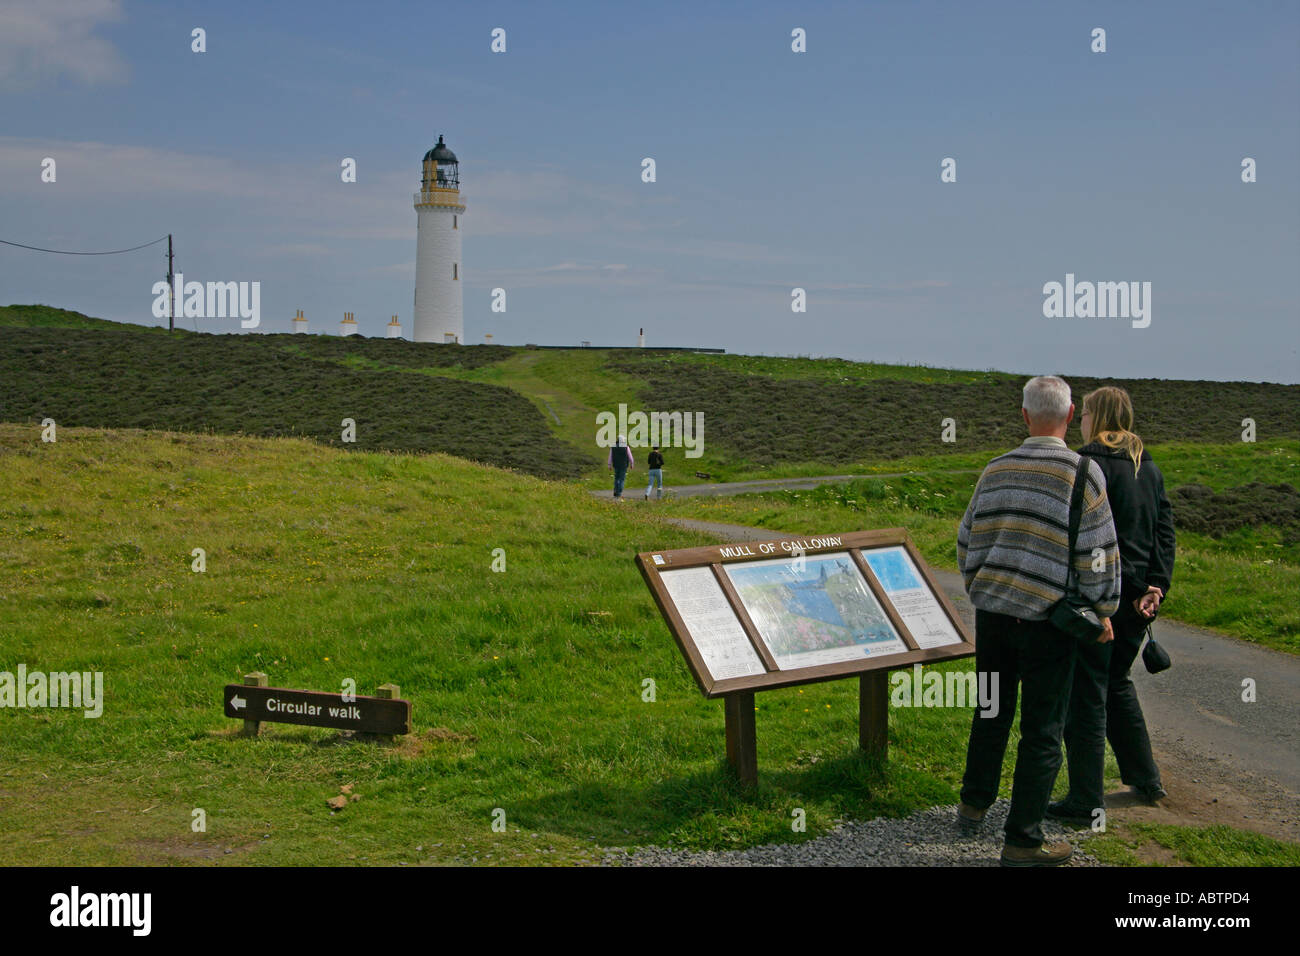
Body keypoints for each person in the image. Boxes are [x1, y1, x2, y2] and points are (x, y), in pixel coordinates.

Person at [955, 375, 1120, 866]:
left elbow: (967, 541)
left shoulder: (996, 468)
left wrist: (983, 587)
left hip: (994, 615)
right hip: (1049, 622)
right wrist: (1103, 610)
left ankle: (972, 806)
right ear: (1070, 417)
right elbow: (1099, 557)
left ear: (1025, 416)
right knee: (1043, 729)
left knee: (989, 712)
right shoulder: (1083, 473)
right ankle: (1023, 841)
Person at [1049, 386, 1175, 822]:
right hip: (1140, 601)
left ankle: (1086, 800)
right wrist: (1155, 587)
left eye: (1084, 412)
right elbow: (1164, 532)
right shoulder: (1148, 467)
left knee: (1085, 695)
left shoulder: (1088, 465)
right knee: (1116, 682)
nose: (1080, 419)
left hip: (1099, 595)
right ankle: (1146, 778)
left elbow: (1089, 537)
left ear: (1096, 417)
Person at [607, 435, 633, 500]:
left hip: (616, 465)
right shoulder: (626, 447)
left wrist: (609, 464)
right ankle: (619, 493)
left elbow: (610, 456)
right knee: (622, 479)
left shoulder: (613, 447)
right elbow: (630, 457)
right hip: (623, 465)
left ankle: (615, 490)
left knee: (616, 478)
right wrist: (632, 463)